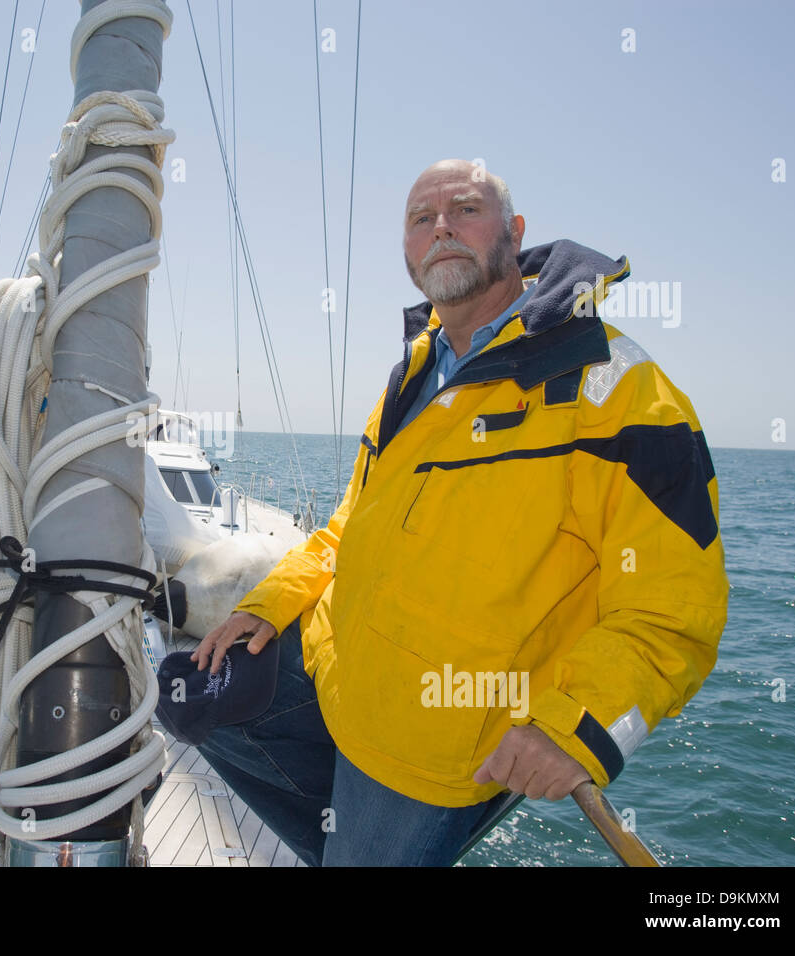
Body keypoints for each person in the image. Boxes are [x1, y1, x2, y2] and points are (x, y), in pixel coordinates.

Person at [190, 159, 728, 866]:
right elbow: (349, 525)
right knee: (195, 703)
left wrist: (577, 727)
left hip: (429, 752)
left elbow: (673, 609)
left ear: (514, 233)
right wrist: (269, 606)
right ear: (410, 252)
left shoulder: (614, 388)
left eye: (465, 210)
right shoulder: (414, 374)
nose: (440, 226)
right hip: (334, 674)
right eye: (421, 218)